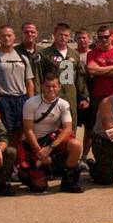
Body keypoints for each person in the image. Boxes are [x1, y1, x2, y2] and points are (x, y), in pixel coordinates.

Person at [19, 75, 84, 193]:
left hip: (51, 142)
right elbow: (28, 130)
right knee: (39, 188)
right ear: (42, 87)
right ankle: (27, 173)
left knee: (76, 145)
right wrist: (39, 151)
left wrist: (50, 148)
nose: (51, 89)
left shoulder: (63, 104)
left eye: (54, 86)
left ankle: (68, 182)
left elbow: (68, 128)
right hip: (34, 144)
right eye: (47, 86)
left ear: (59, 87)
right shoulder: (31, 103)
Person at [41, 23, 90, 155]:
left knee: (70, 126)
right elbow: (39, 76)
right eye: (60, 35)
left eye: (66, 35)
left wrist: (84, 97)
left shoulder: (74, 54)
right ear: (54, 35)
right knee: (51, 126)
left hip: (70, 96)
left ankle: (69, 158)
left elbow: (80, 78)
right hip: (51, 96)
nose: (63, 38)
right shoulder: (45, 54)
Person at [0, 25, 34, 146]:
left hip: (22, 99)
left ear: (14, 37)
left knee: (21, 132)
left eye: (9, 35)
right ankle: (4, 160)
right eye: (3, 35)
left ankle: (18, 161)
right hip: (3, 100)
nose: (6, 38)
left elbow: (29, 82)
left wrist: (31, 103)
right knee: (4, 133)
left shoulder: (23, 58)